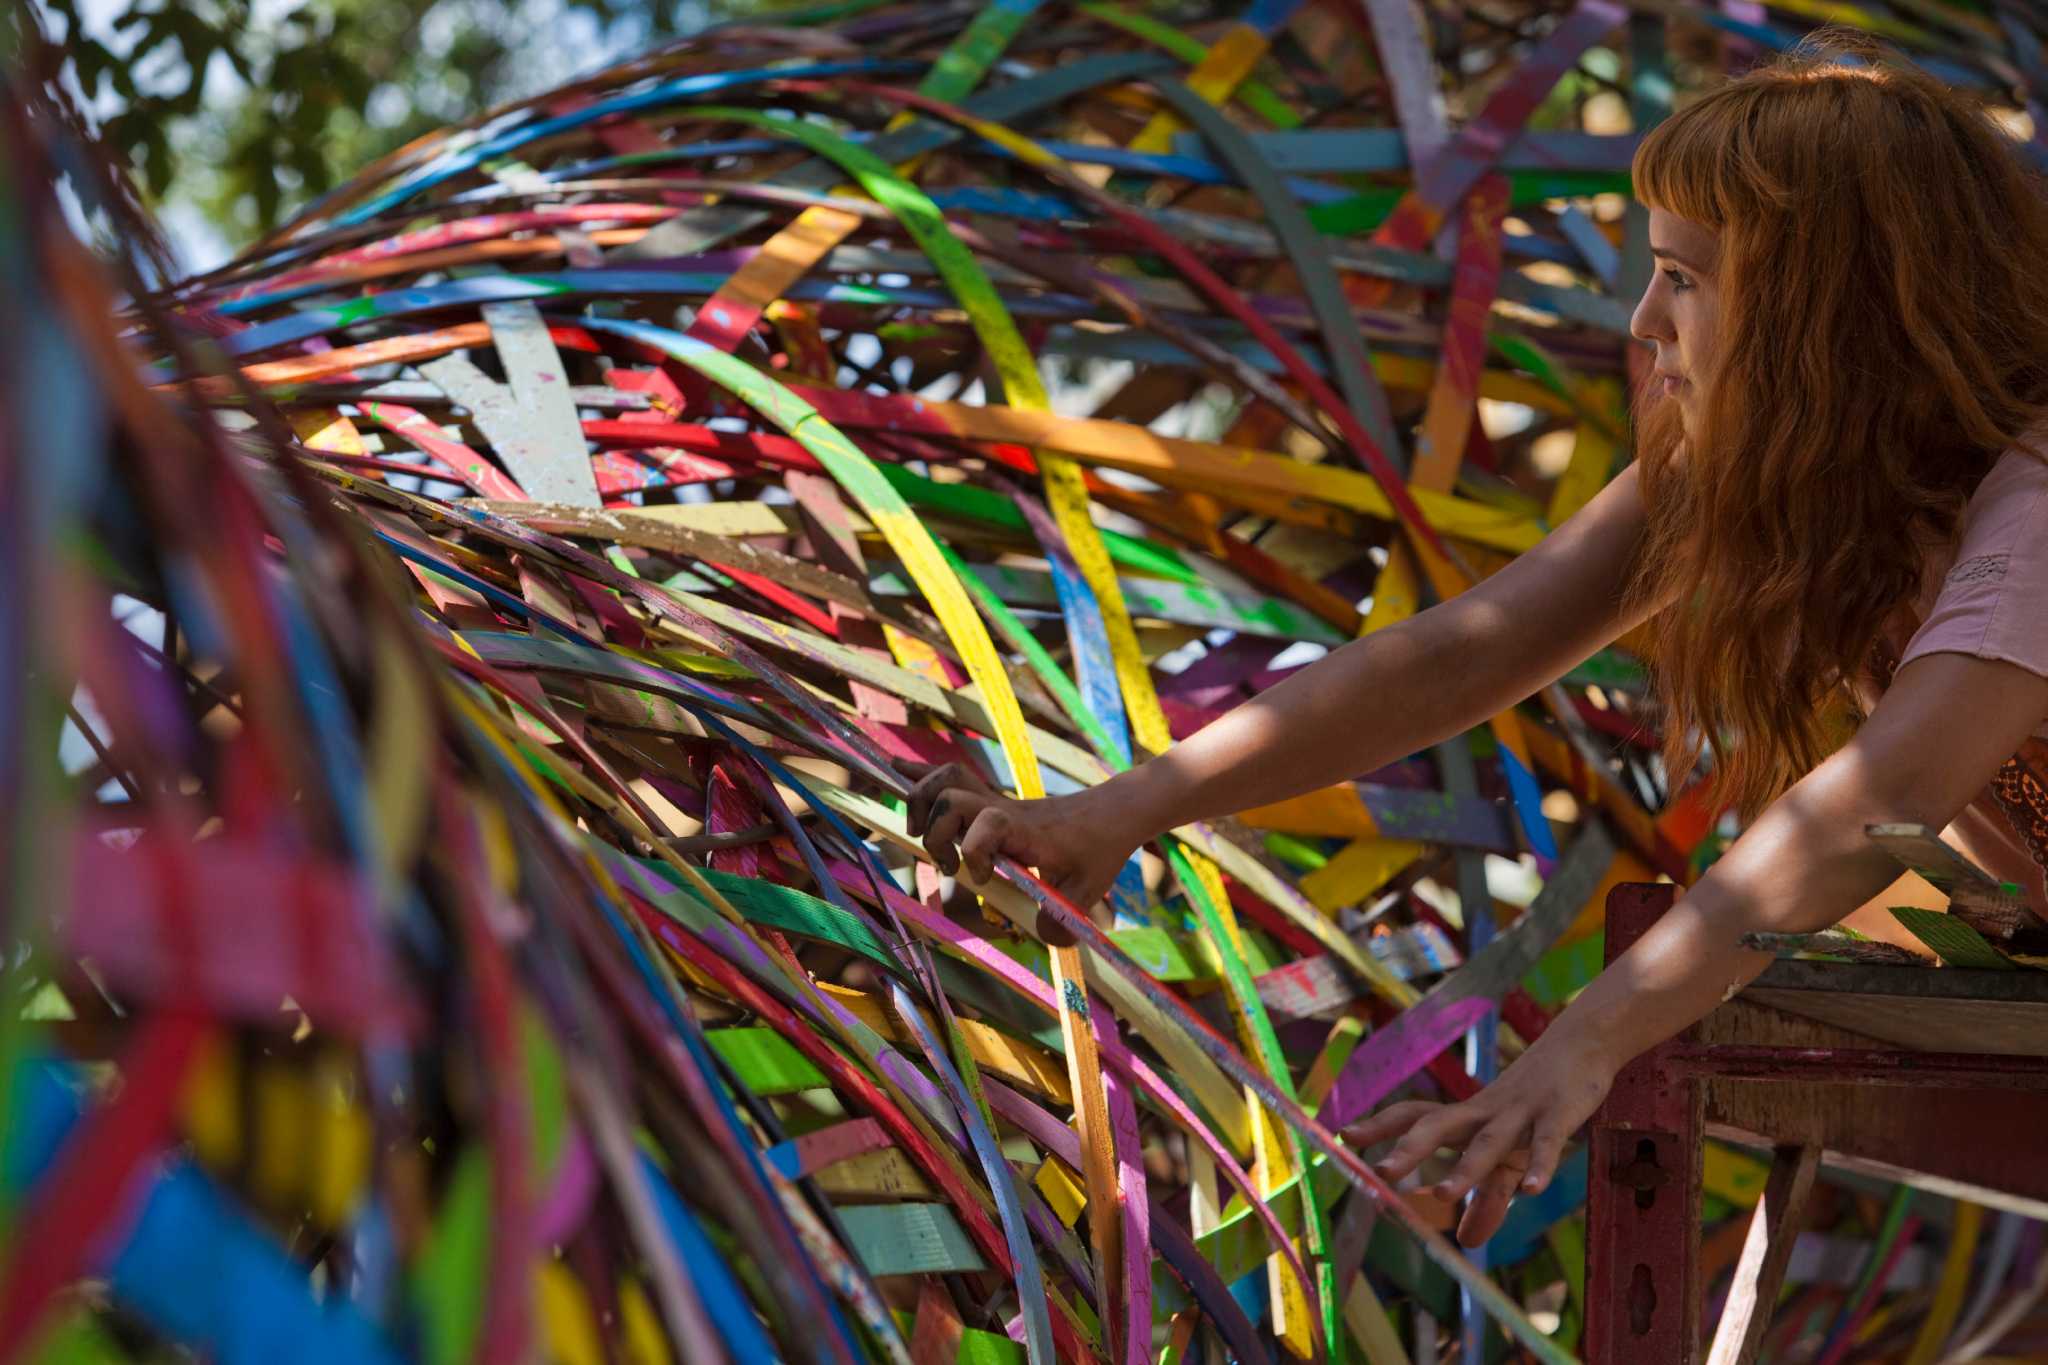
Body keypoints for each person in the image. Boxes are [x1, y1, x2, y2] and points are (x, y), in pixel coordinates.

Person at [906, 31, 2048, 1248]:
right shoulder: (1776, 466)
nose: (1644, 319)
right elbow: (1471, 650)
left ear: (1831, 314)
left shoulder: (2029, 509)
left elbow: (1881, 798)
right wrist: (1116, 812)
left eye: (1687, 278)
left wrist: (1583, 1044)